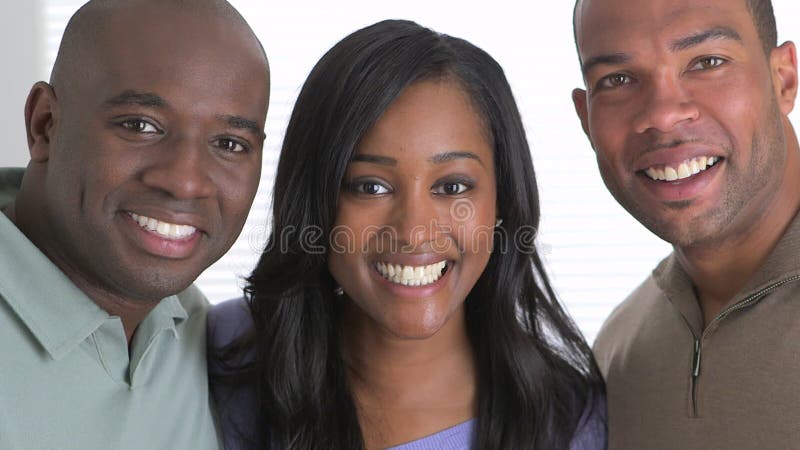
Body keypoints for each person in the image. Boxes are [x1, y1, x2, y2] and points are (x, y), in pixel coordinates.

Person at [209, 19, 606, 450]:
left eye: (451, 187)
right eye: (370, 186)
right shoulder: (217, 357)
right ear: (316, 203)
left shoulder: (572, 422)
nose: (413, 232)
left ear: (503, 201)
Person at [0, 0, 269, 448]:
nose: (185, 183)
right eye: (141, 125)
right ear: (45, 124)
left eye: (229, 143)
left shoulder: (195, 326)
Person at [572, 0, 800, 448]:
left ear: (783, 79)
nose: (662, 114)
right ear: (586, 118)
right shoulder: (619, 354)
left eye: (707, 62)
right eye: (617, 80)